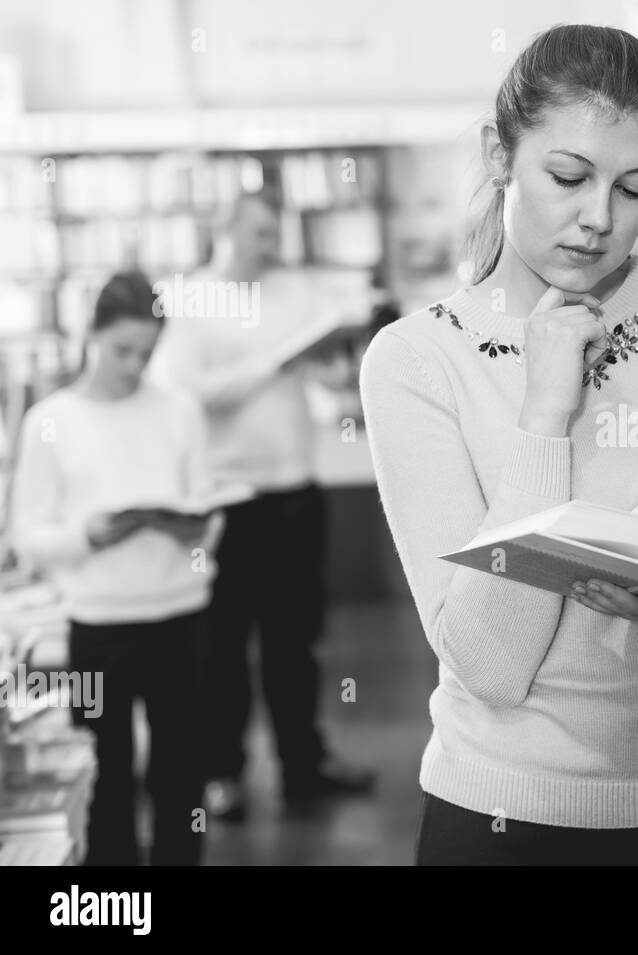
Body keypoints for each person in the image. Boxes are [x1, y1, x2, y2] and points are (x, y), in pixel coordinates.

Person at [359, 24, 638, 866]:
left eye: (636, 186)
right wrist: (544, 416)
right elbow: (489, 665)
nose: (600, 219)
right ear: (500, 155)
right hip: (507, 820)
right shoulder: (417, 360)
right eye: (567, 177)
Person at [149, 193, 375, 820]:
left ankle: (304, 764)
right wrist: (276, 359)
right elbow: (184, 395)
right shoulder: (189, 300)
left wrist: (338, 367)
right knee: (222, 646)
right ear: (222, 231)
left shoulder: (295, 293)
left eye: (275, 234)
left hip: (296, 494)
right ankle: (222, 774)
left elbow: (325, 380)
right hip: (228, 500)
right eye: (258, 234)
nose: (272, 246)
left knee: (295, 640)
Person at [10, 271, 215, 865]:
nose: (133, 366)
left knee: (181, 772)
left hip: (180, 614)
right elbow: (29, 537)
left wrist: (193, 526)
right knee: (105, 774)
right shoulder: (51, 420)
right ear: (90, 334)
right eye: (121, 350)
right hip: (98, 625)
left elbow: (206, 509)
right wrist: (86, 536)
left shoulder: (180, 411)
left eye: (146, 354)